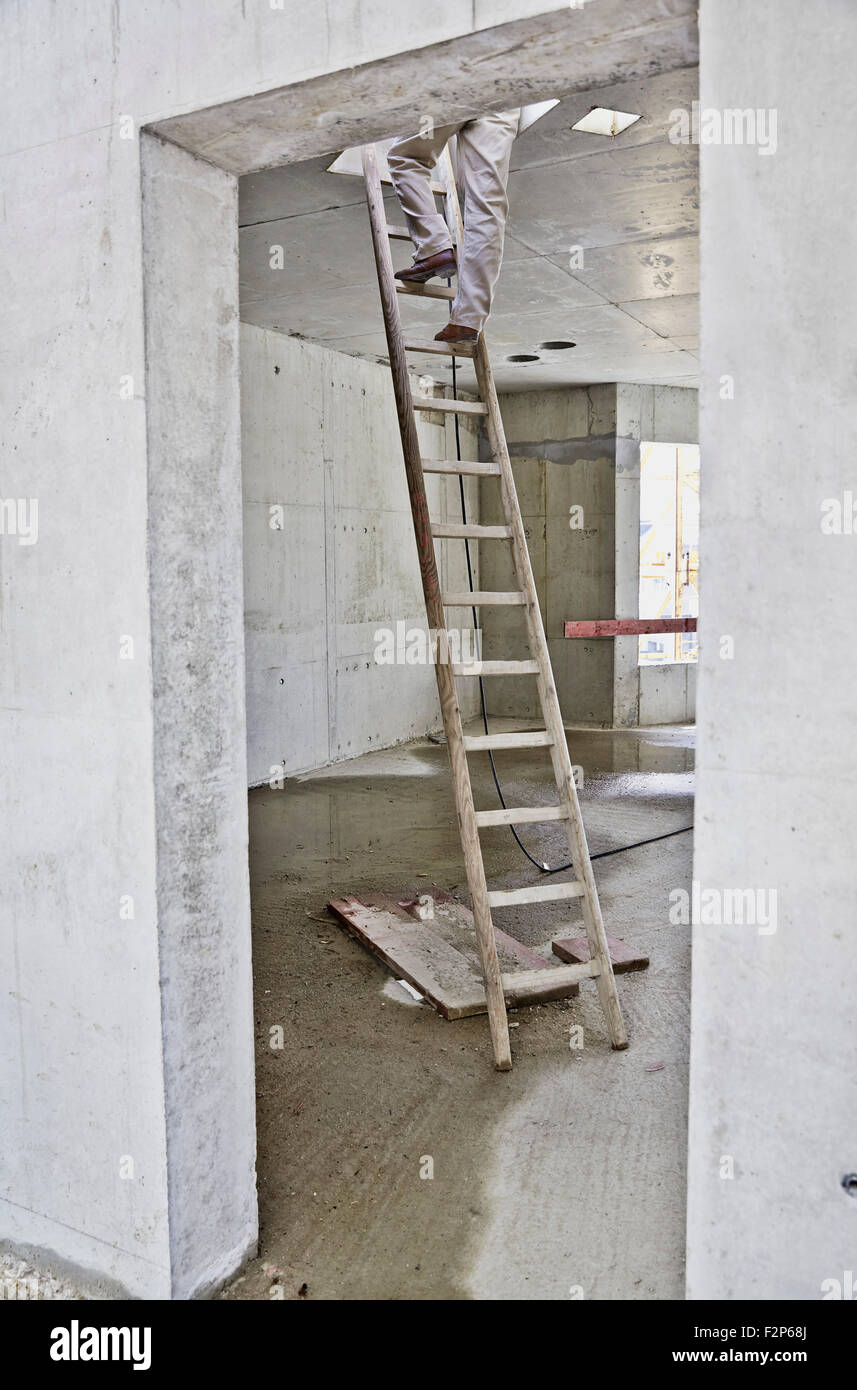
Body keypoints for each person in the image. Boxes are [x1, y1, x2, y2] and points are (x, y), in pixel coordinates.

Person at [387, 110, 520, 346]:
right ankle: (468, 320)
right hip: (508, 92)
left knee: (405, 158)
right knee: (487, 205)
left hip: (459, 80)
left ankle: (434, 248)